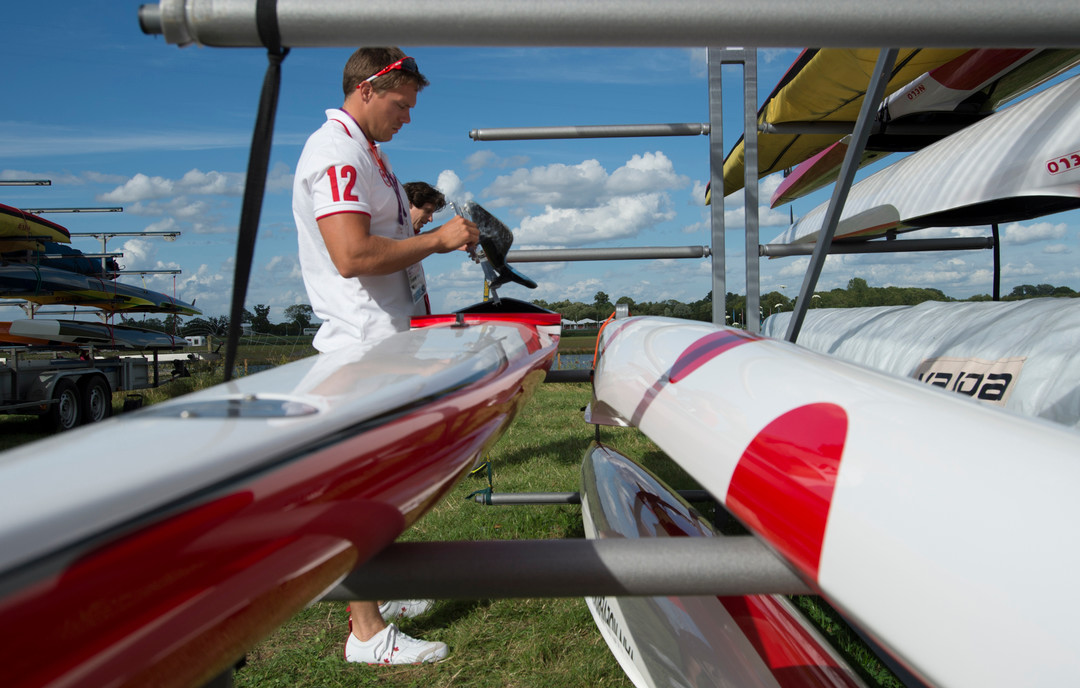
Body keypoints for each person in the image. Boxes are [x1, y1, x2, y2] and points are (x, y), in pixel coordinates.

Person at [293, 46, 478, 666]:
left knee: (381, 482)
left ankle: (373, 593)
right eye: (401, 105)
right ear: (368, 89)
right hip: (362, 342)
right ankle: (366, 635)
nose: (408, 118)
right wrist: (439, 240)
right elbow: (351, 254)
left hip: (385, 338)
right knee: (360, 487)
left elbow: (385, 239)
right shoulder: (337, 152)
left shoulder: (368, 154)